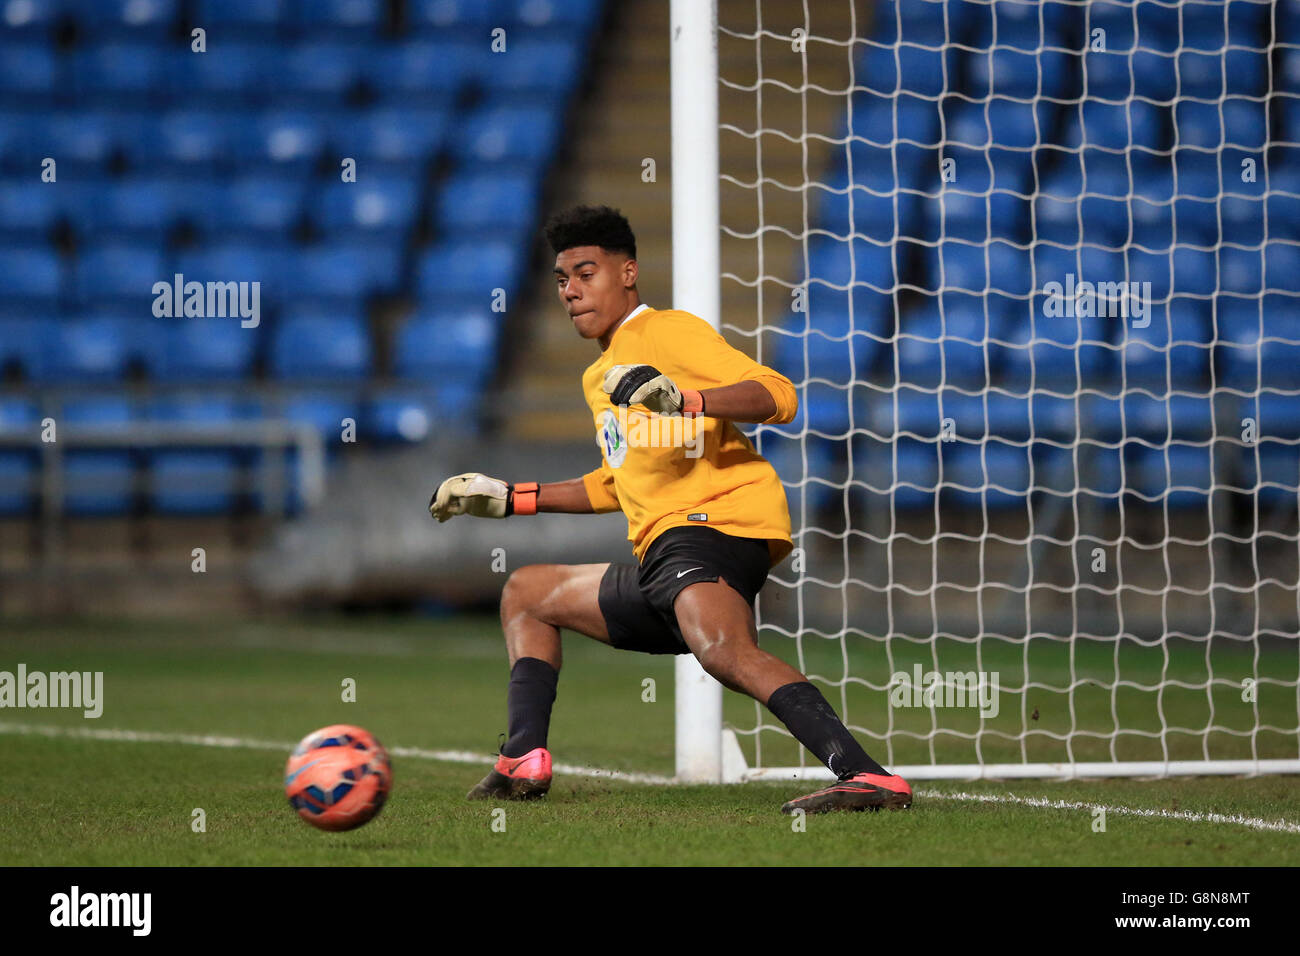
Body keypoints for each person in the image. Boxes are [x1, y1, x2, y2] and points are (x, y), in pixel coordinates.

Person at [429, 205, 911, 813]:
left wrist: (687, 399)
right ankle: (523, 759)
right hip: (664, 550)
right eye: (561, 280)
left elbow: (778, 396)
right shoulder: (600, 374)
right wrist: (509, 499)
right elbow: (618, 484)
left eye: (586, 273)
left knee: (724, 650)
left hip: (716, 522)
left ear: (627, 272)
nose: (571, 291)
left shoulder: (667, 333)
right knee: (526, 593)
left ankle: (868, 777)